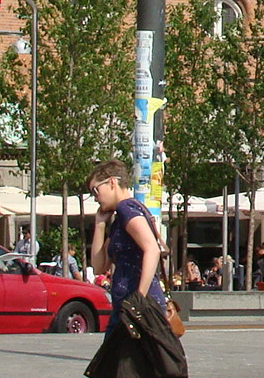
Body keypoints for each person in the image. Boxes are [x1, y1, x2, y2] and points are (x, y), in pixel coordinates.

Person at [86, 161, 182, 378]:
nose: (95, 197)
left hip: (137, 308)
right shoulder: (120, 217)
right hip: (126, 308)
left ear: (112, 182)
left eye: (95, 190)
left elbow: (152, 249)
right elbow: (99, 266)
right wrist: (100, 225)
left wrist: (139, 295)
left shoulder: (127, 209)